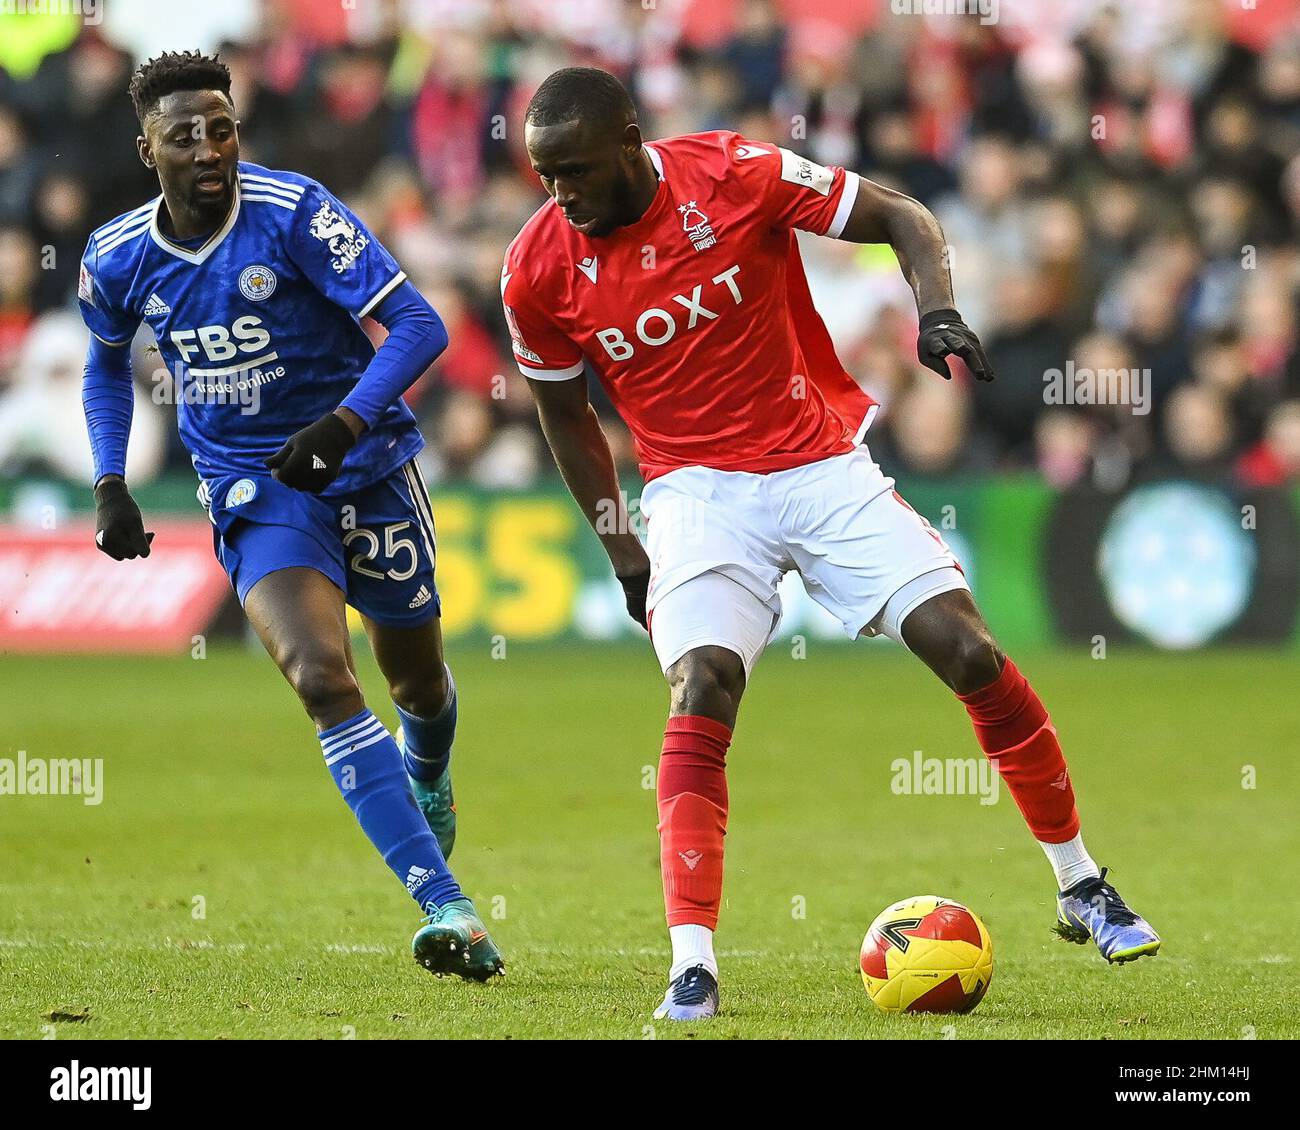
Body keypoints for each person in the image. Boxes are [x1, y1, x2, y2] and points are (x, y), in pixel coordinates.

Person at [503, 67, 1158, 1021]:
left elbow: (904, 215)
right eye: (544, 177)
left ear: (632, 142)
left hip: (819, 464)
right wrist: (625, 552)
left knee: (970, 650)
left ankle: (1080, 883)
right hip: (693, 493)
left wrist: (936, 308)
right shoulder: (537, 268)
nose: (560, 195)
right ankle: (693, 963)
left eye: (575, 172)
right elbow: (566, 420)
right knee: (702, 685)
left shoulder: (735, 172)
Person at [78, 50, 503, 981]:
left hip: (369, 464)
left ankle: (426, 768)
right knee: (319, 674)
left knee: (419, 687)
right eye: (182, 134)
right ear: (146, 147)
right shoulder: (116, 256)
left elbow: (420, 324)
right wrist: (111, 480)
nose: (207, 149)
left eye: (220, 129)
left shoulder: (295, 212)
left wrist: (343, 423)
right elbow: (107, 362)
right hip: (251, 483)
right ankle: (448, 908)